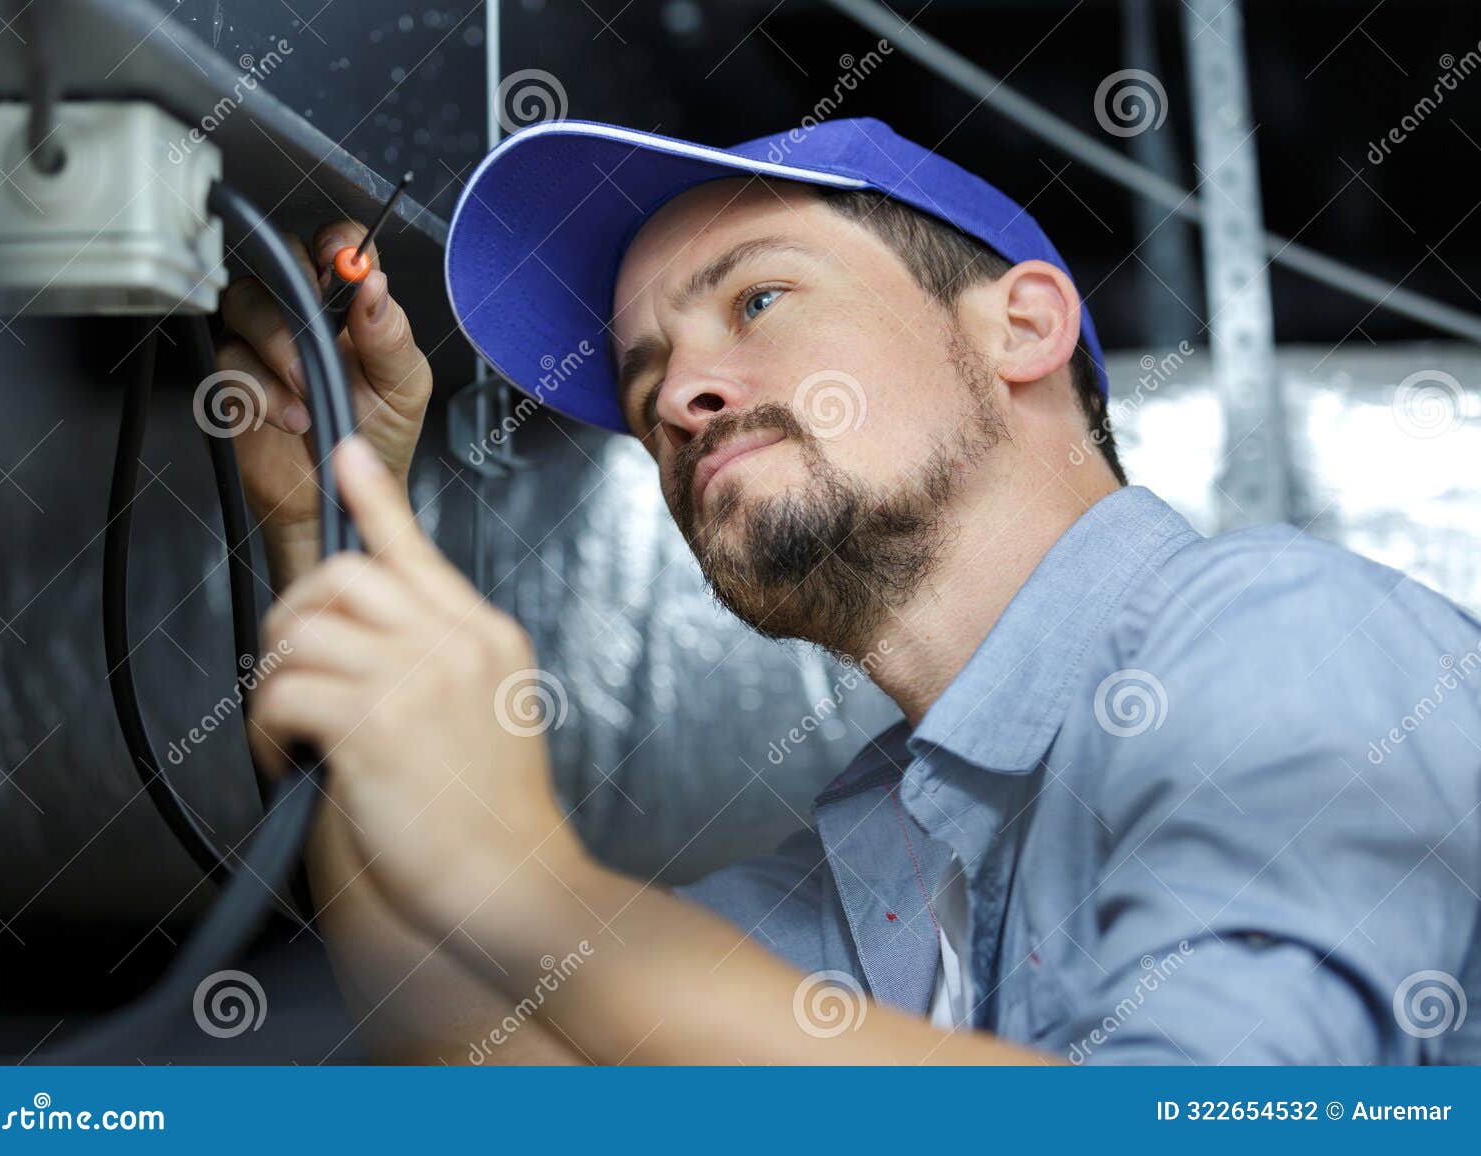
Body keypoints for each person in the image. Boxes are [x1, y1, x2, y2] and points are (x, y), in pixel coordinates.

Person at [217, 118, 1481, 1064]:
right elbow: (489, 1055)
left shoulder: (1283, 636)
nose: (672, 395)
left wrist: (532, 884)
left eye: (757, 297)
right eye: (642, 366)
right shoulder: (874, 861)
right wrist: (329, 518)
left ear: (1021, 328)